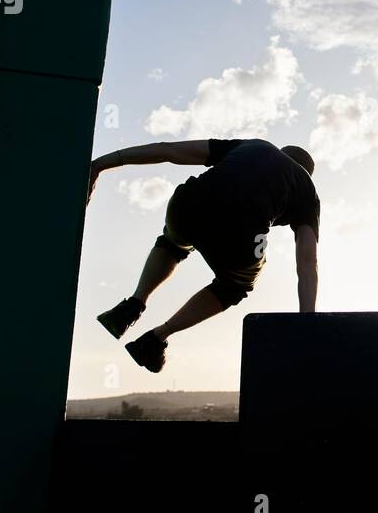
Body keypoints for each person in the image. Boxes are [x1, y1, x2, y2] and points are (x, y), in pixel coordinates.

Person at [86, 138, 320, 372]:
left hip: (187, 205)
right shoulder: (307, 191)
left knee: (173, 241)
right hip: (241, 230)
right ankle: (156, 339)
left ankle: (132, 305)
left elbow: (168, 151)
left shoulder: (254, 146)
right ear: (307, 173)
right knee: (237, 285)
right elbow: (307, 264)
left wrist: (99, 165)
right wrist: (307, 323)